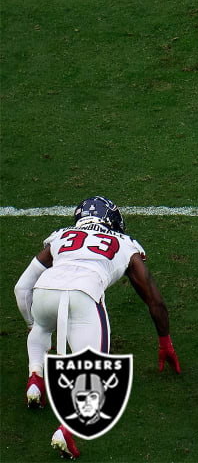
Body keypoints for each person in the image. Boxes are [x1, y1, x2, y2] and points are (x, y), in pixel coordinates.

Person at [13, 196, 179, 460]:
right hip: (84, 295)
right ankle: (66, 431)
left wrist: (33, 324)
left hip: (44, 288)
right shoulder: (125, 244)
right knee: (95, 371)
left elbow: (21, 288)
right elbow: (155, 300)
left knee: (42, 328)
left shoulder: (61, 236)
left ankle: (35, 379)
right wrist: (164, 342)